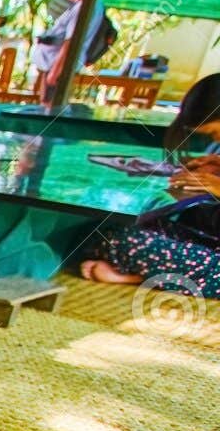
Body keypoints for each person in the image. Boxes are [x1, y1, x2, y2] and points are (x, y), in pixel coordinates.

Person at [79, 73, 220, 297]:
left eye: (214, 133)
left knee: (129, 244)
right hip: (208, 240)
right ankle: (153, 274)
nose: (215, 142)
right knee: (109, 234)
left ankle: (135, 278)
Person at [32, 0, 110, 102]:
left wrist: (54, 73)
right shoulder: (93, 5)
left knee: (48, 108)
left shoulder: (85, 8)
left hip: (57, 67)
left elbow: (70, 43)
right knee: (48, 108)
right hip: (55, 66)